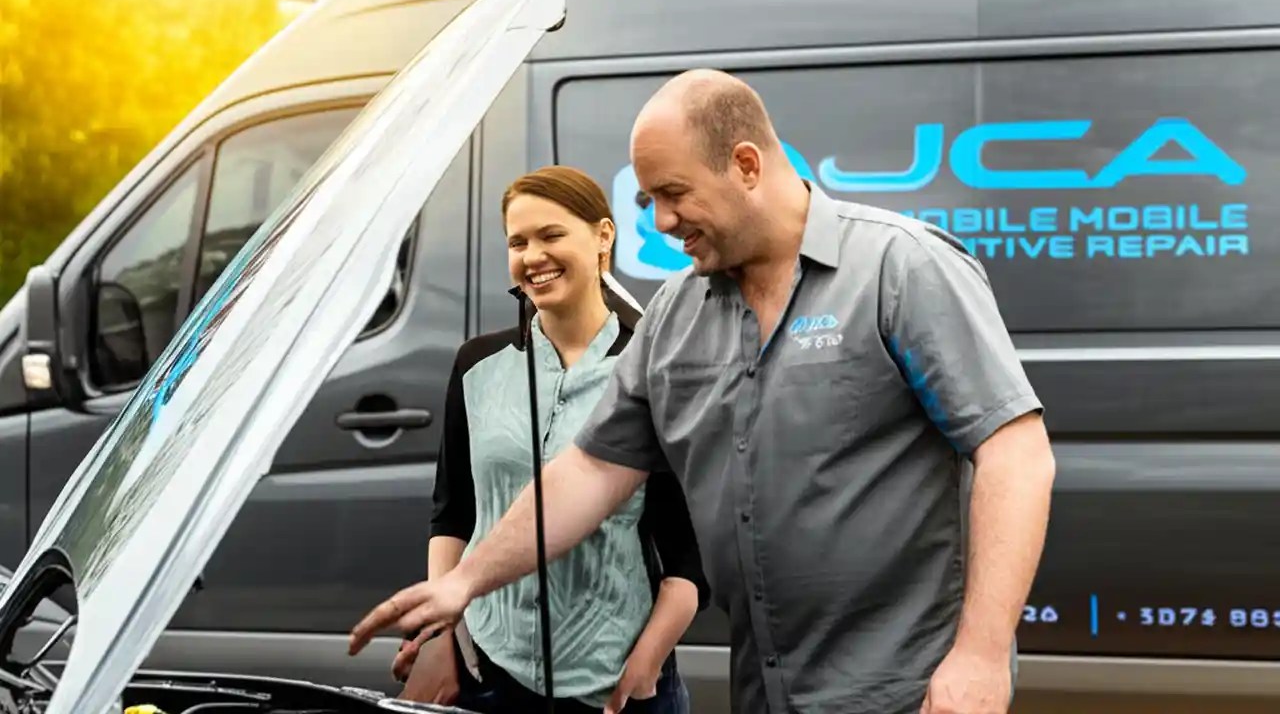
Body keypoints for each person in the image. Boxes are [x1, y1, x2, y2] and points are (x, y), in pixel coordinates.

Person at [351, 70, 1057, 714]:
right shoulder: (676, 314)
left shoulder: (902, 269)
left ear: (746, 165)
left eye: (673, 194)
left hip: (907, 691)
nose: (658, 221)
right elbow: (593, 469)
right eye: (648, 200)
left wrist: (982, 655)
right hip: (768, 686)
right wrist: (464, 583)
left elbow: (1015, 456)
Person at [390, 165, 709, 713]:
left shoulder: (655, 364)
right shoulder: (476, 366)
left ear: (603, 236)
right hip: (487, 673)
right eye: (518, 242)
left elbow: (688, 553)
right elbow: (454, 516)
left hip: (614, 684)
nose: (533, 255)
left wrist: (647, 663)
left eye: (552, 235)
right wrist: (442, 638)